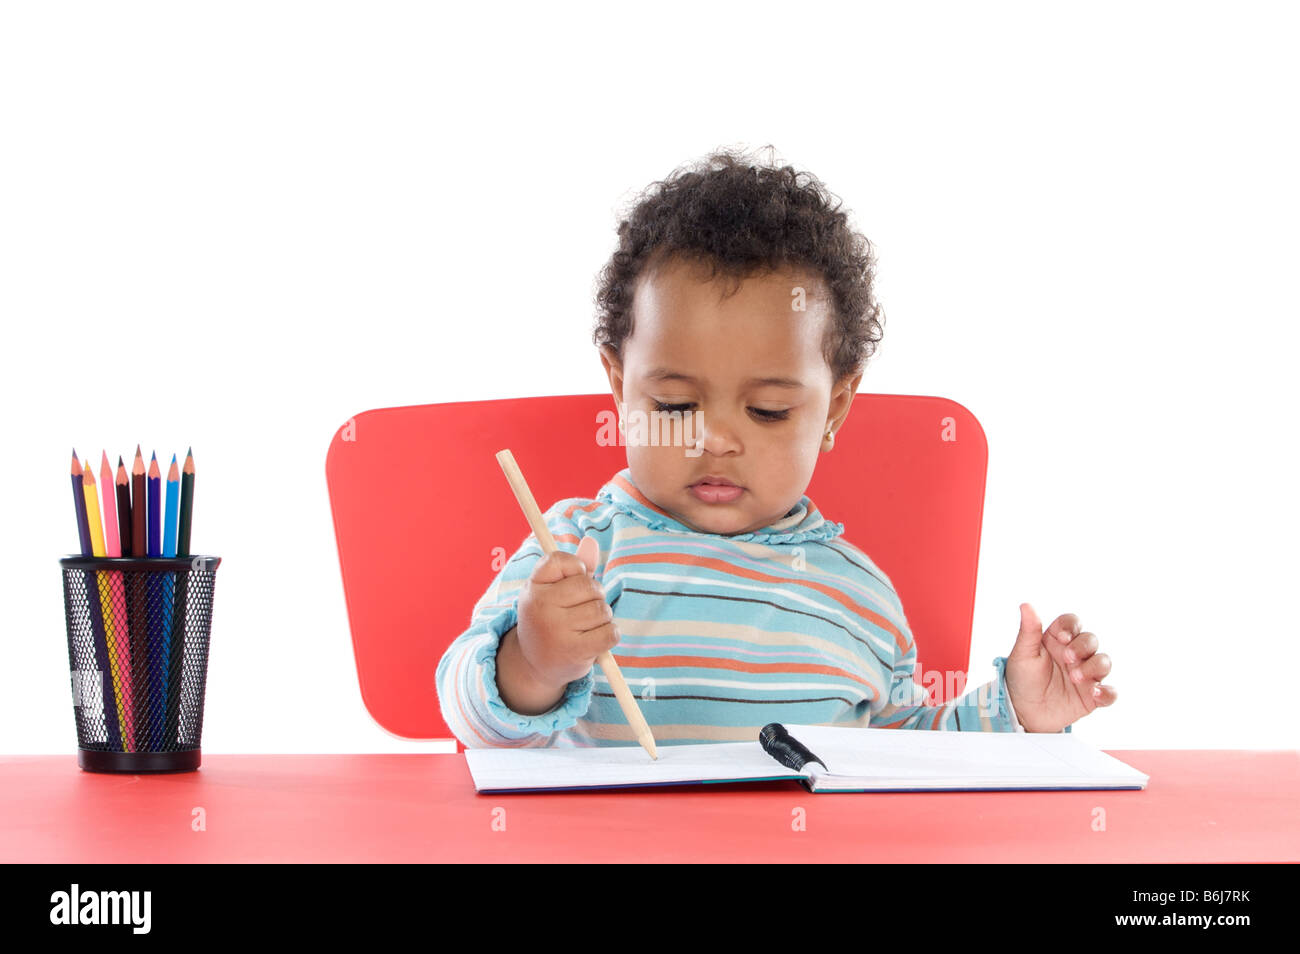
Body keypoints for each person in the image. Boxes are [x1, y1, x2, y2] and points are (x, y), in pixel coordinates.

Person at [436, 146, 1115, 748]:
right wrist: (535, 661)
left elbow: (901, 756)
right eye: (674, 405)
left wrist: (1018, 714)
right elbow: (469, 718)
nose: (716, 440)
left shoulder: (861, 597)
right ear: (620, 386)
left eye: (767, 410)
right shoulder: (575, 551)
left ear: (835, 407)